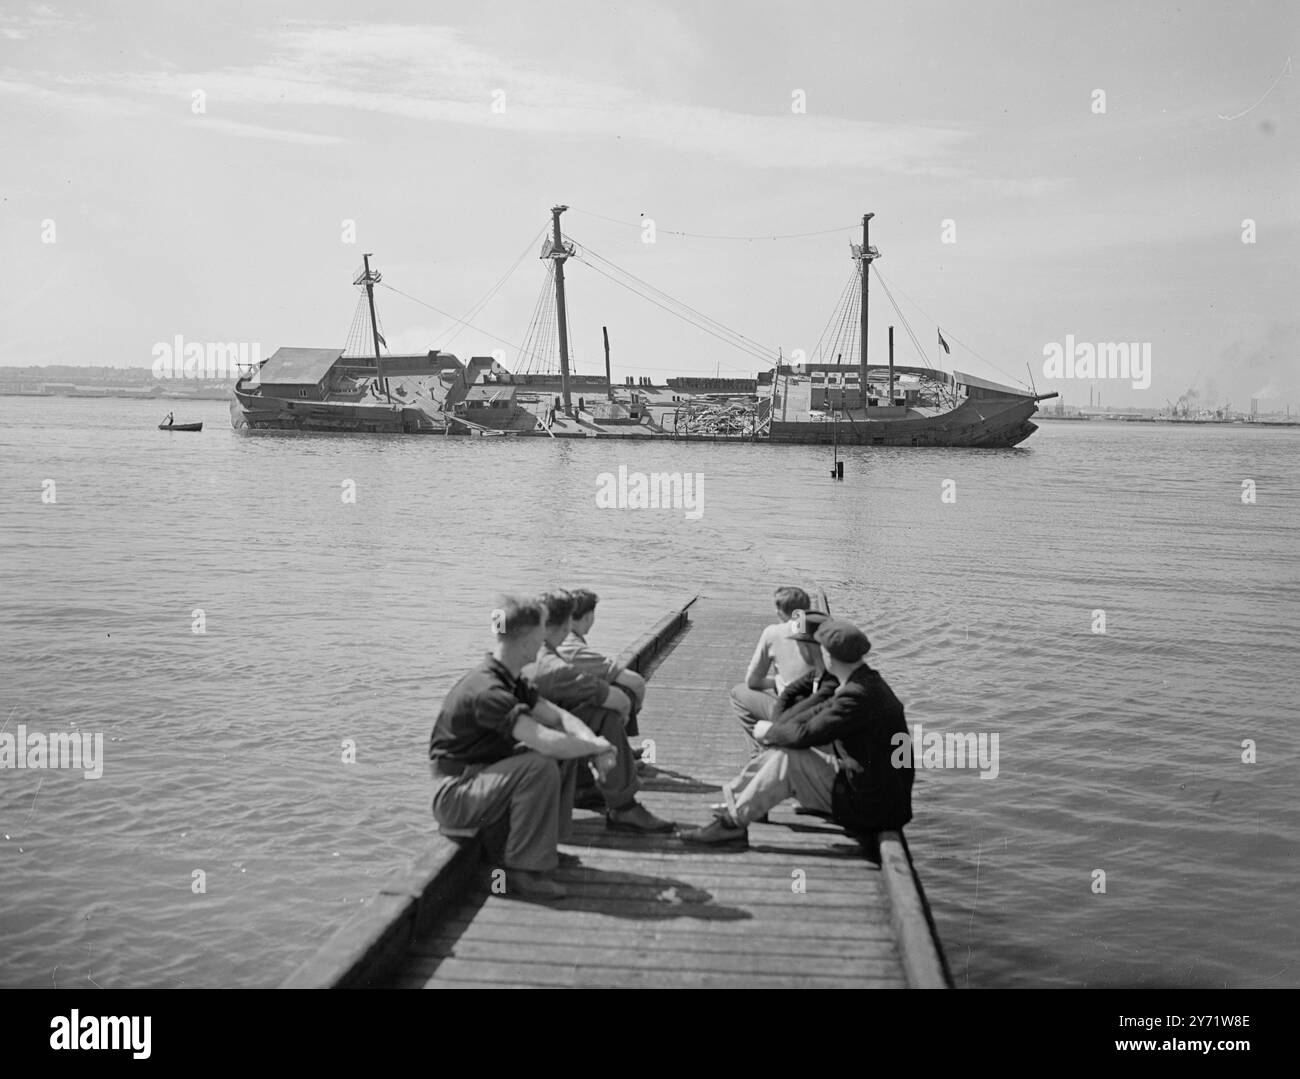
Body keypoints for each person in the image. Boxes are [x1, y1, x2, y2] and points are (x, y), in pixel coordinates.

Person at [428, 597, 618, 901]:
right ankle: (522, 872)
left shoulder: (508, 678)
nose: (545, 639)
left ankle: (544, 850)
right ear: (529, 641)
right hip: (455, 796)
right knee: (541, 763)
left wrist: (593, 746)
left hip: (481, 780)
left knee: (559, 749)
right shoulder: (488, 690)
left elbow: (558, 718)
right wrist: (595, 747)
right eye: (542, 633)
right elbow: (544, 740)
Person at [681, 618, 913, 846]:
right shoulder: (864, 683)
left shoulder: (856, 695)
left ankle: (732, 824)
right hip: (876, 795)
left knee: (789, 758)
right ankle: (738, 806)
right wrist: (777, 730)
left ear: (829, 656)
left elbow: (805, 734)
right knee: (787, 751)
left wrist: (770, 732)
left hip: (871, 808)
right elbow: (815, 715)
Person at [525, 590, 674, 834]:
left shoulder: (528, 651)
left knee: (593, 710)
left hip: (522, 733)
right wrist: (622, 713)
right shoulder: (553, 667)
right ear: (565, 626)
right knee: (606, 714)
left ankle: (585, 784)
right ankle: (623, 806)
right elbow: (619, 700)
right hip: (531, 746)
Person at [731, 589, 825, 749]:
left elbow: (752, 682)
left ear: (781, 612)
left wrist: (776, 683)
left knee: (738, 692)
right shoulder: (821, 631)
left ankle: (760, 753)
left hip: (790, 708)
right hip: (819, 705)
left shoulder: (773, 632)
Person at [559, 588, 647, 738]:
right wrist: (636, 707)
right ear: (588, 617)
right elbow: (637, 682)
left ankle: (623, 748)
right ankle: (621, 753)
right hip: (563, 710)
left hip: (557, 701)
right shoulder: (576, 650)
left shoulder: (562, 637)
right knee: (624, 690)